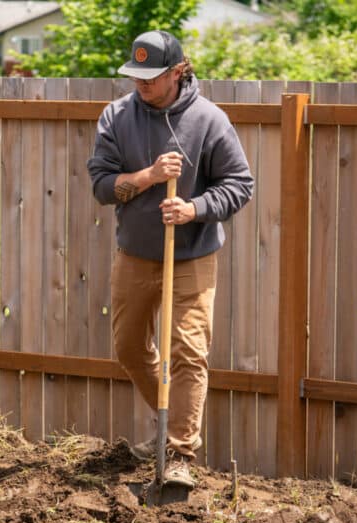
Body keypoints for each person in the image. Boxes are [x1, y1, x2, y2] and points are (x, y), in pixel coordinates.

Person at [87, 30, 254, 488]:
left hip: (192, 255)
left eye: (152, 77)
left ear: (178, 72)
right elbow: (102, 185)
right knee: (127, 347)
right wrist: (148, 176)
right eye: (136, 75)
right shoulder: (117, 117)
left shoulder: (208, 120)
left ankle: (180, 453)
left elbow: (240, 184)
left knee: (188, 350)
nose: (141, 84)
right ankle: (166, 427)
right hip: (136, 254)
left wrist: (193, 208)